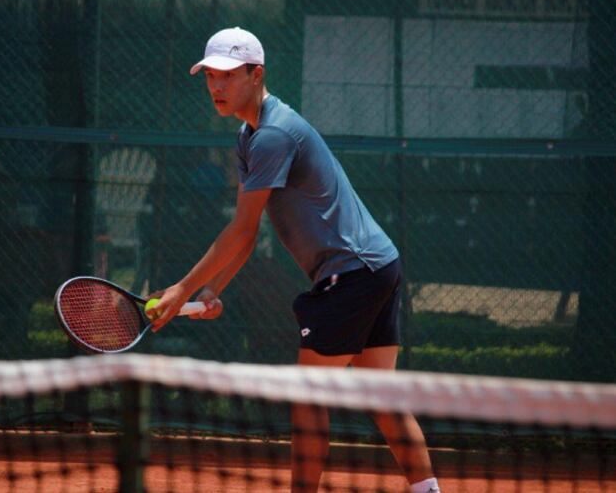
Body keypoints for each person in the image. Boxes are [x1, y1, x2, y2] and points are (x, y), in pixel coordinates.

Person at [148, 27, 441, 493]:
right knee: (379, 393)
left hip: (352, 273)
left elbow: (241, 229)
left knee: (307, 398)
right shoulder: (251, 135)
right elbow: (248, 235)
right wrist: (213, 289)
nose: (216, 87)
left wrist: (182, 288)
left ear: (255, 73)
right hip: (378, 264)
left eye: (227, 75)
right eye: (210, 76)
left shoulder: (273, 136)